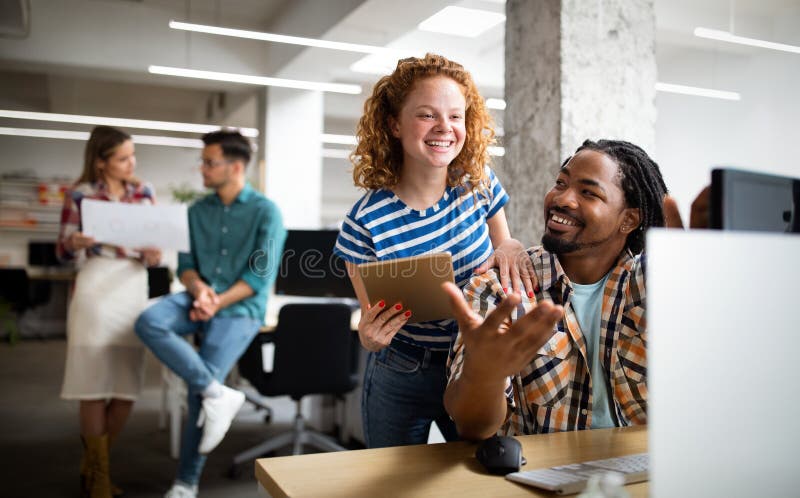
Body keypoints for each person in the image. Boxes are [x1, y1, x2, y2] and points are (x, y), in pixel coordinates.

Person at [333, 53, 532, 448]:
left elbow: (504, 245)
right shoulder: (365, 221)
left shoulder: (478, 184)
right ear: (394, 124)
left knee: (478, 470)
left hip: (472, 363)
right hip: (401, 368)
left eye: (455, 116)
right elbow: (370, 321)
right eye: (427, 115)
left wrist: (511, 246)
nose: (445, 127)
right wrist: (370, 338)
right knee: (392, 478)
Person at [444, 139, 679, 440]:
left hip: (642, 464)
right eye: (560, 183)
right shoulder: (500, 289)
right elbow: (471, 426)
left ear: (629, 220)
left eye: (588, 192)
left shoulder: (656, 287)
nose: (563, 199)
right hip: (542, 466)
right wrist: (483, 375)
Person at [134, 130, 286, 498]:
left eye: (209, 162)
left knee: (197, 390)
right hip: (197, 296)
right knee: (149, 321)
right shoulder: (197, 211)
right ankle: (216, 391)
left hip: (241, 307)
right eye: (202, 162)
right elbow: (186, 267)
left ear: (235, 167)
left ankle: (186, 482)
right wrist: (200, 290)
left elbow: (259, 277)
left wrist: (217, 301)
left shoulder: (266, 212)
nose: (202, 168)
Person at [58, 125, 162, 498]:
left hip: (132, 287)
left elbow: (155, 251)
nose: (132, 163)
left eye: (133, 155)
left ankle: (91, 466)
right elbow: (62, 250)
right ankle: (100, 478)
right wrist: (74, 241)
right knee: (92, 385)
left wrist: (154, 253)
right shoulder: (81, 195)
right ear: (101, 162)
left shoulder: (145, 192)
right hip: (95, 287)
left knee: (125, 388)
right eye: (123, 158)